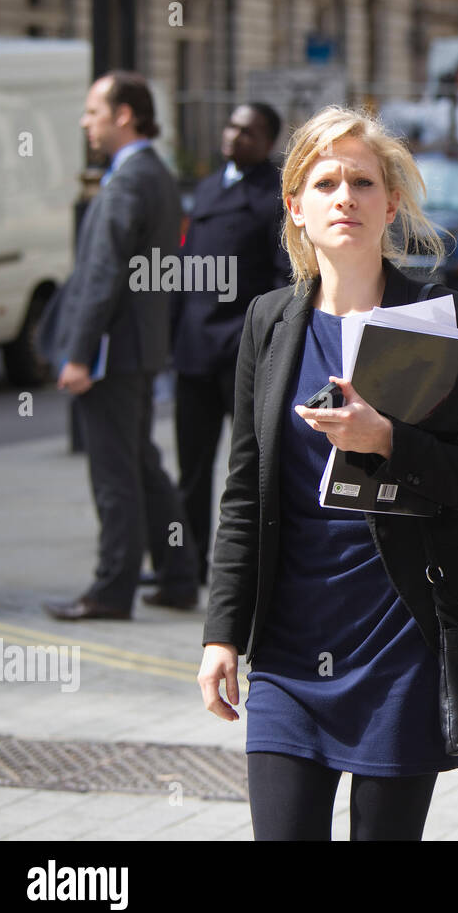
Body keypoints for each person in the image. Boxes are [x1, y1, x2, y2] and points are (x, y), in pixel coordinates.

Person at [196, 106, 458, 840]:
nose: (346, 197)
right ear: (296, 207)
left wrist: (389, 440)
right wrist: (222, 634)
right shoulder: (270, 323)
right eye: (326, 182)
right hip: (287, 653)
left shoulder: (441, 318)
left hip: (400, 643)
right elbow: (245, 494)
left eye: (364, 182)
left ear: (391, 203)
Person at [39, 70, 201, 620]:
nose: (86, 122)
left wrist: (78, 354)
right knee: (142, 467)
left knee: (115, 477)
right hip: (137, 348)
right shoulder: (152, 172)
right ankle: (179, 576)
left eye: (93, 111)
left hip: (112, 352)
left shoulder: (130, 180)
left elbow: (105, 274)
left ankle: (111, 591)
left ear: (123, 115)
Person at [170, 102, 291, 587]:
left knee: (253, 469)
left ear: (267, 141)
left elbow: (286, 277)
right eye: (232, 125)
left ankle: (253, 568)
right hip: (196, 350)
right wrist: (173, 334)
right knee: (192, 469)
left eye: (249, 130)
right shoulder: (206, 186)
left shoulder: (274, 195)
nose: (235, 135)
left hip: (242, 353)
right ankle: (187, 563)